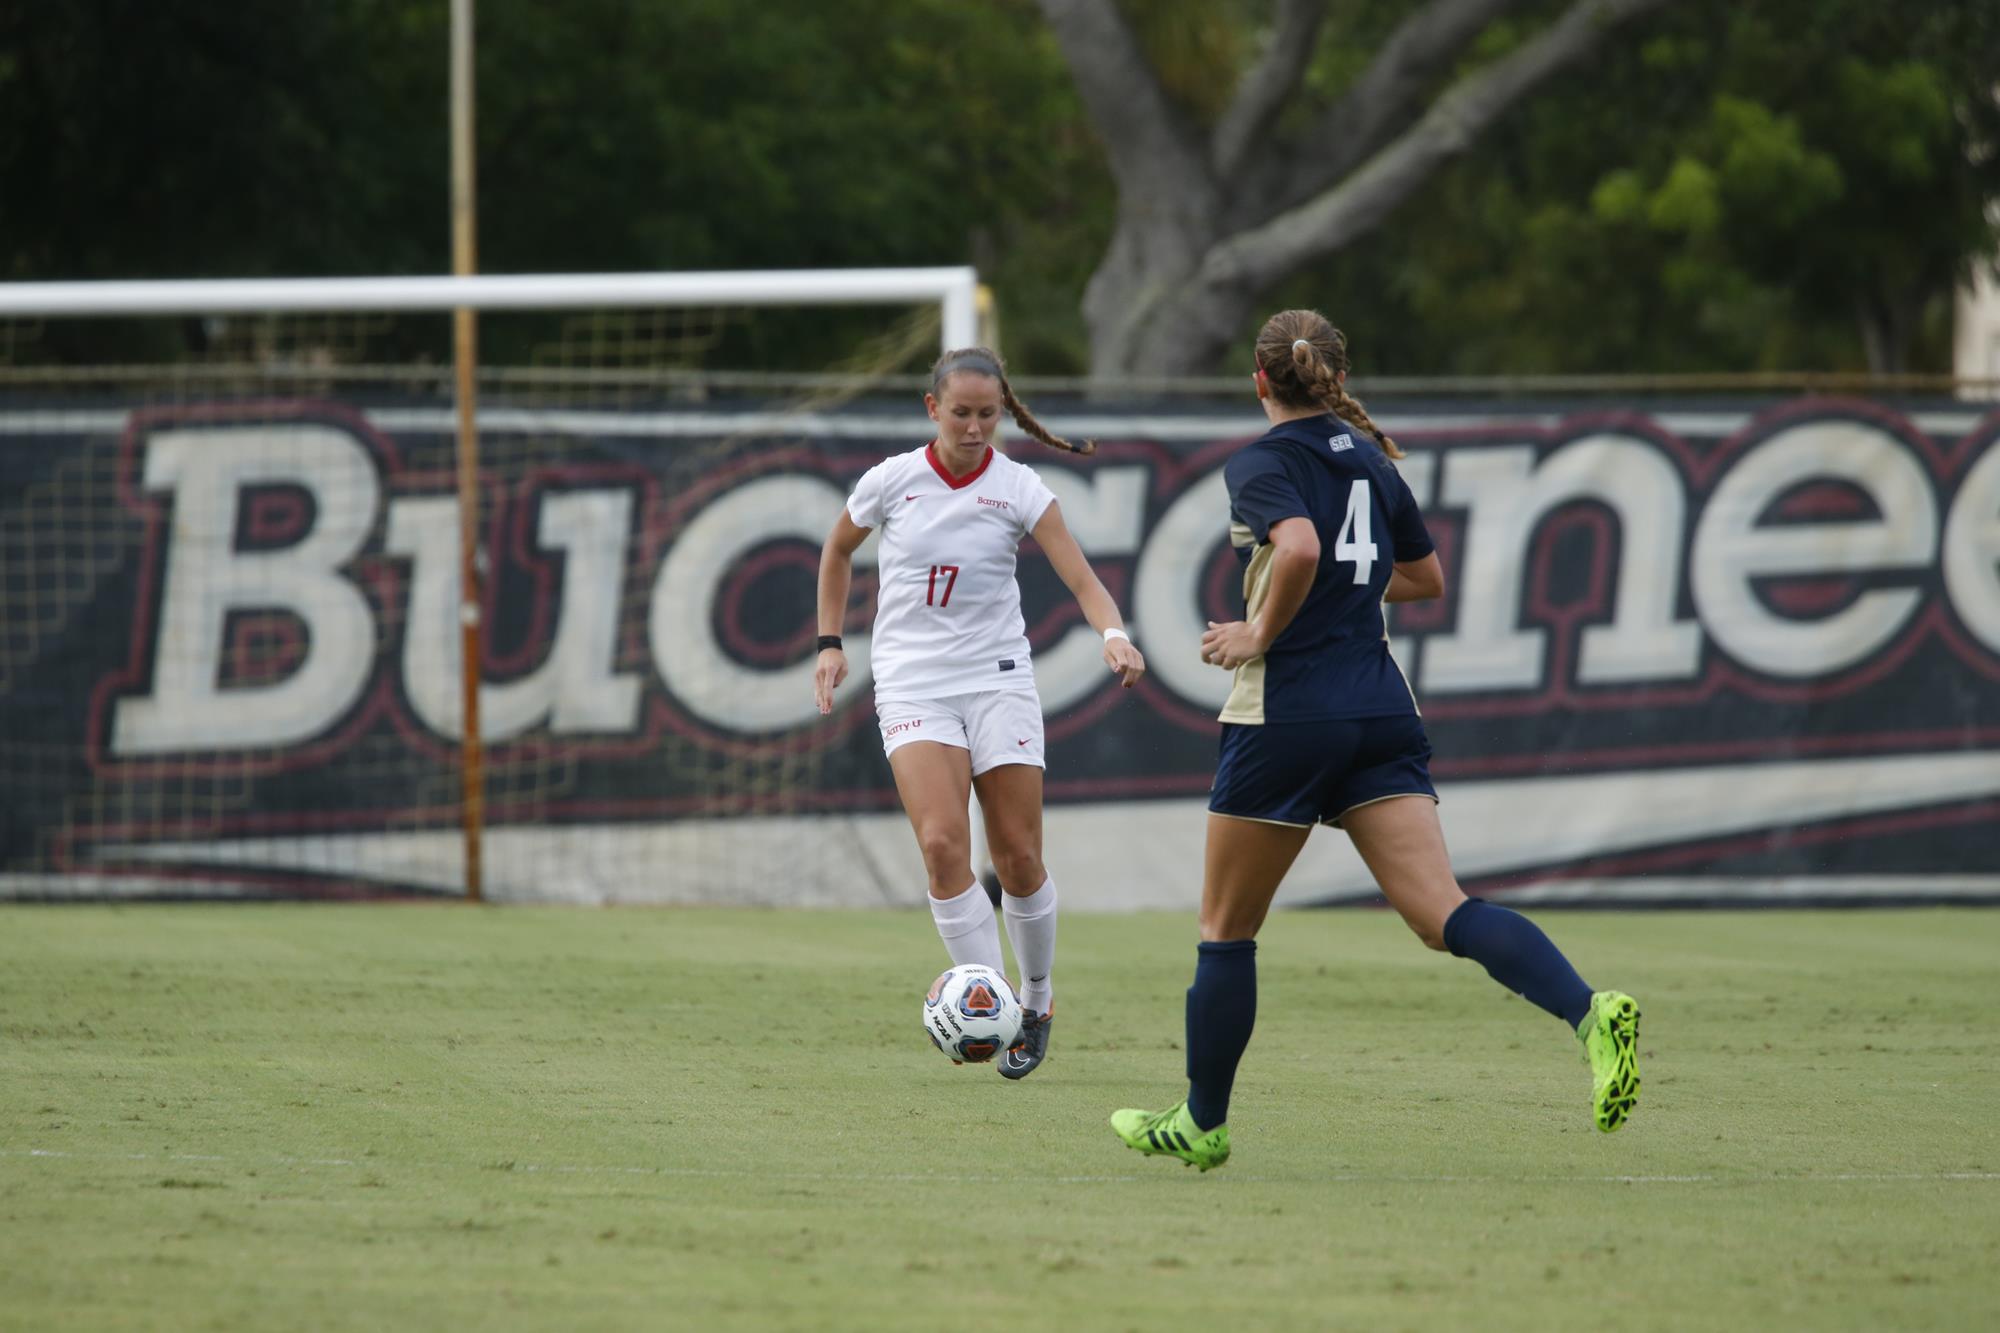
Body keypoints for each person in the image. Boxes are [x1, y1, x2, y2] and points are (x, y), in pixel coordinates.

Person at [1110, 310, 1640, 1170]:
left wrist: (1259, 631)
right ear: (1337, 377)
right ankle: (1590, 1012)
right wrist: (1340, 588)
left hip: (1288, 714)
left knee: (1226, 928)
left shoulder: (1262, 462)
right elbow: (1425, 578)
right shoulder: (1372, 459)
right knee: (1442, 914)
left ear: (1259, 379)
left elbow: (1298, 547)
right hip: (1380, 710)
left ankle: (1203, 1121)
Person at [815, 346, 1146, 1079]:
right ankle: (991, 1002)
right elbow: (836, 551)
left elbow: (1083, 580)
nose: (973, 427)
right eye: (960, 413)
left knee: (1018, 856)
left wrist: (1114, 636)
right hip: (912, 683)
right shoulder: (891, 480)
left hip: (997, 680)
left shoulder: (1019, 488)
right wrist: (829, 643)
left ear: (1003, 413)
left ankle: (1037, 1001)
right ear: (932, 408)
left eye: (987, 415)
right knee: (941, 844)